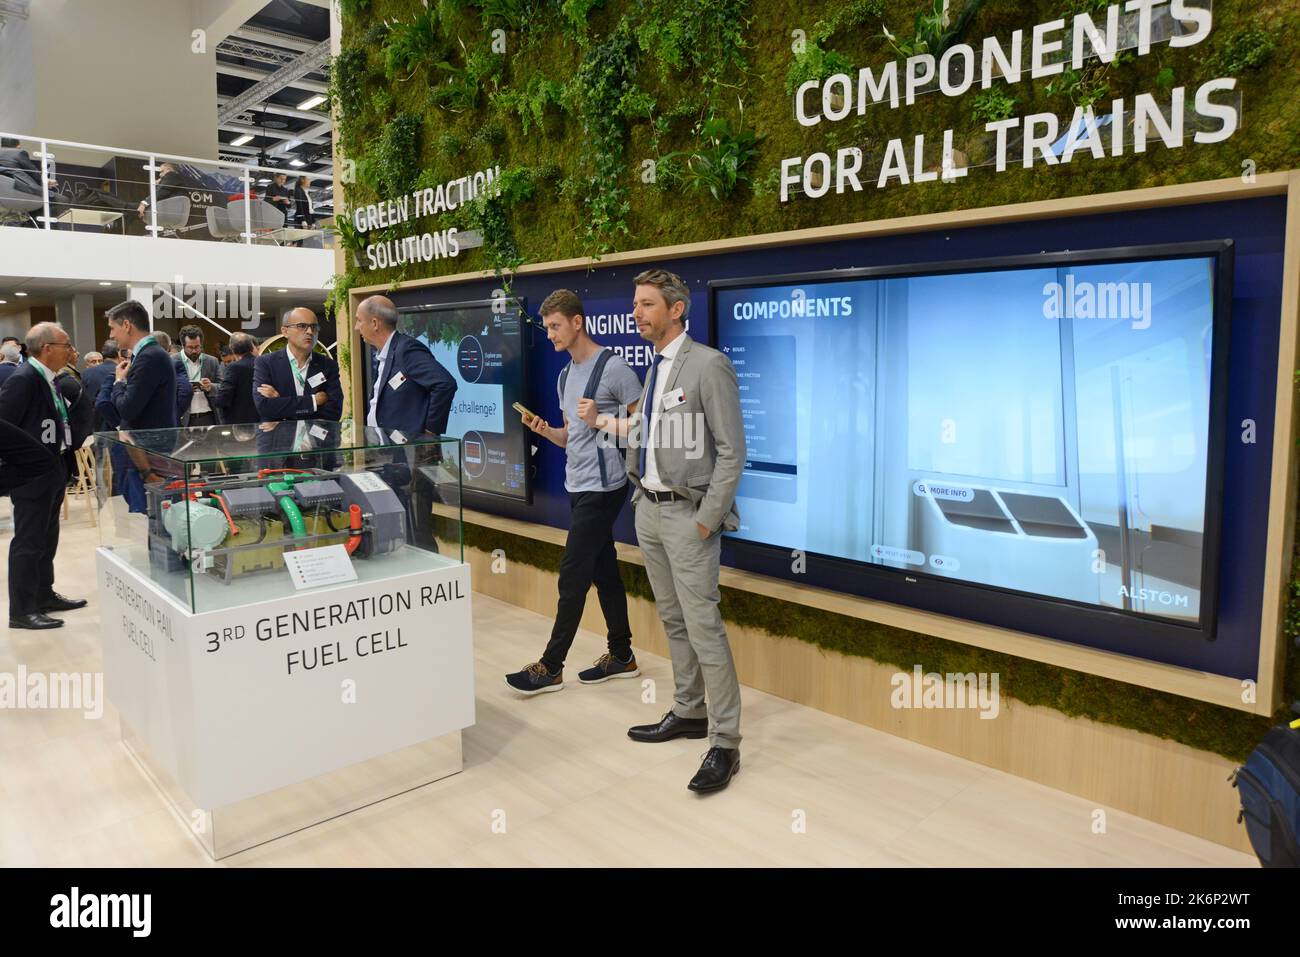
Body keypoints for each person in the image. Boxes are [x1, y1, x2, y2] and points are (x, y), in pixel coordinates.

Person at [580, 269, 746, 793]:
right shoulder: (655, 367)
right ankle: (689, 711)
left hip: (688, 517)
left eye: (647, 304)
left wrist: (707, 519)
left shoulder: (708, 365)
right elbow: (650, 431)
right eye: (635, 304)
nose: (637, 312)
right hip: (649, 511)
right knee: (674, 621)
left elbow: (732, 453)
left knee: (704, 628)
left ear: (676, 309)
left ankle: (725, 742)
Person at [505, 289, 644, 695]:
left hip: (606, 487)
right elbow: (571, 438)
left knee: (573, 572)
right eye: (547, 327)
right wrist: (547, 431)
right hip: (576, 484)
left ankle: (550, 666)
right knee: (604, 568)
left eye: (554, 326)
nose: (549, 335)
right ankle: (622, 655)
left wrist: (601, 418)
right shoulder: (565, 375)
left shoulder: (615, 368)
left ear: (577, 322)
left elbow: (645, 429)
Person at [0, 322, 87, 629]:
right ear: (47, 348)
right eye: (66, 345)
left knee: (46, 538)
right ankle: (22, 610)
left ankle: (43, 594)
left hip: (54, 466)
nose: (71, 350)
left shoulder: (51, 378)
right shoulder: (24, 379)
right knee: (28, 540)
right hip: (31, 475)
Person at [354, 295, 456, 440]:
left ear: (375, 323)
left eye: (359, 320)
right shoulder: (383, 353)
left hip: (412, 454)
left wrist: (429, 433)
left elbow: (445, 384)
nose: (356, 327)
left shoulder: (406, 350)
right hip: (391, 452)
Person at [253, 308, 343, 422]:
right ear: (285, 331)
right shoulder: (266, 362)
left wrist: (281, 402)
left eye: (314, 327)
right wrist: (313, 401)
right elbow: (264, 407)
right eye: (302, 326)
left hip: (315, 437)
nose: (310, 332)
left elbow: (334, 411)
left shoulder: (328, 365)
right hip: (278, 437)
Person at [106, 300, 178, 430]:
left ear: (127, 325)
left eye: (112, 328)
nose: (111, 335)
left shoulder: (149, 357)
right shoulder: (149, 354)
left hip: (150, 444)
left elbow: (126, 409)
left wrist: (119, 381)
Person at [174, 324, 222, 426]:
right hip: (183, 418)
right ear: (183, 345)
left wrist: (211, 387)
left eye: (197, 347)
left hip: (208, 417)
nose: (194, 351)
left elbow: (223, 387)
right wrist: (184, 389)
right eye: (190, 347)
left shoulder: (212, 361)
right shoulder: (172, 361)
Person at [209, 332, 259, 424]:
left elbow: (223, 399)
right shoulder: (263, 363)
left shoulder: (234, 367)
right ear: (251, 347)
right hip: (261, 420)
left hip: (239, 423)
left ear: (232, 349)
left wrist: (214, 398)